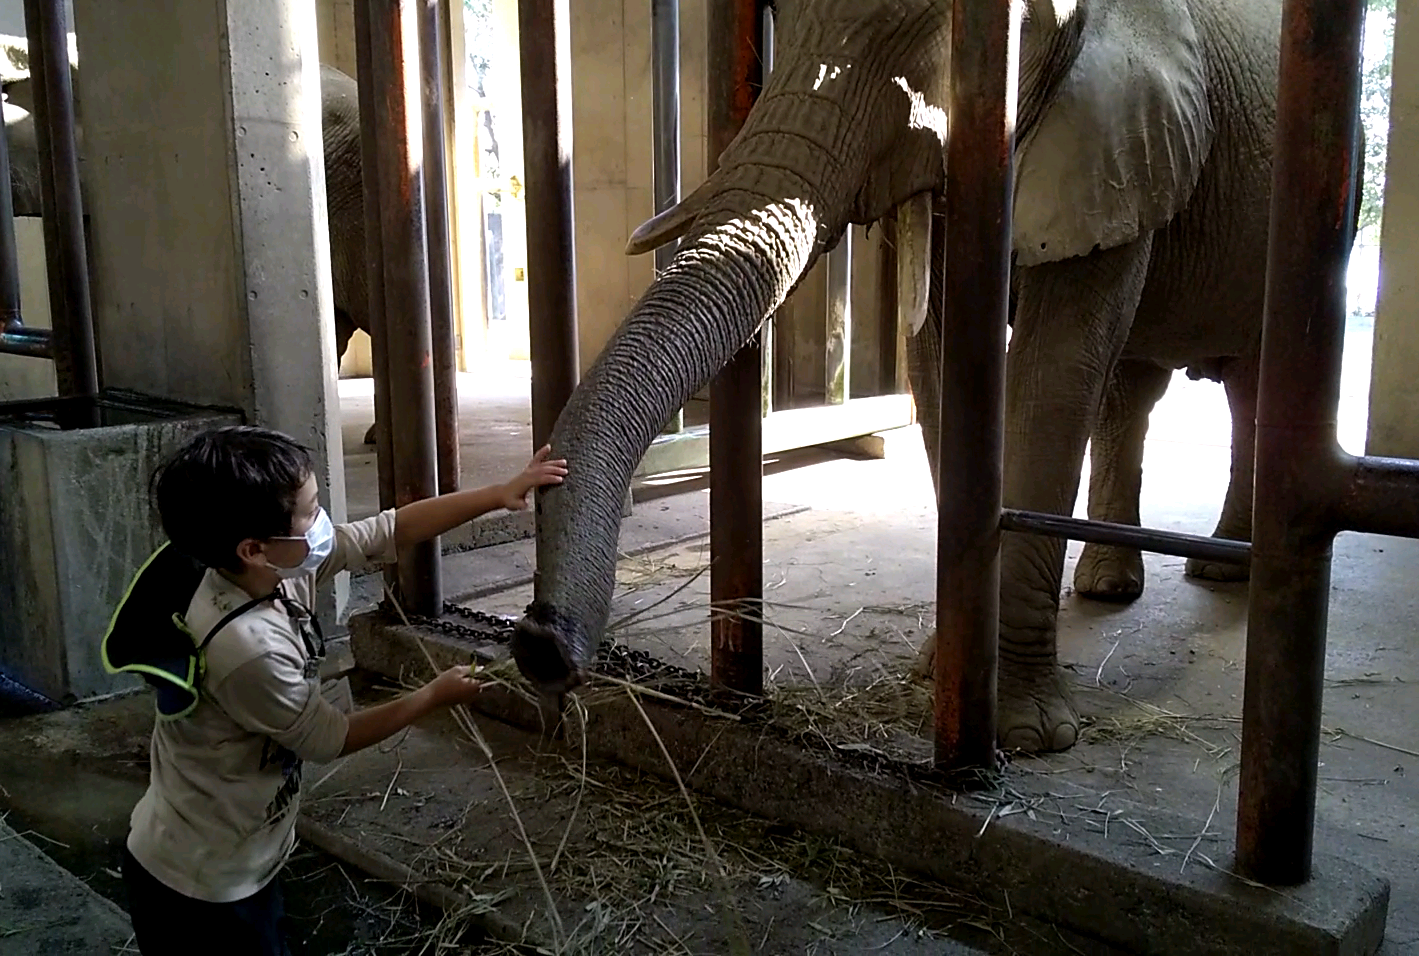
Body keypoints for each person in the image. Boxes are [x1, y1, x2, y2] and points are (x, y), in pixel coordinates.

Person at [115, 424, 568, 955]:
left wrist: (497, 493)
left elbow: (385, 532)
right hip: (202, 885)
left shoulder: (268, 570)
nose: (323, 521)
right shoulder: (248, 650)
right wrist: (429, 697)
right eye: (309, 513)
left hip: (240, 849)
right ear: (254, 547)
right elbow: (326, 738)